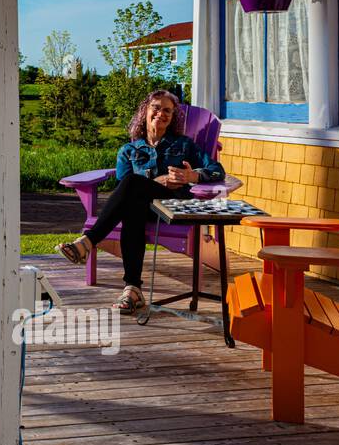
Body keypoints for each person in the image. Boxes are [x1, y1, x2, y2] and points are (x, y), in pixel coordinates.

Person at [55, 90, 224, 314]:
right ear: (145, 111)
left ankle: (88, 242)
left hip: (174, 207)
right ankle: (132, 290)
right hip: (144, 208)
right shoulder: (128, 151)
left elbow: (216, 170)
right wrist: (157, 181)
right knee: (131, 207)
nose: (161, 113)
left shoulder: (184, 145)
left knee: (133, 187)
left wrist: (192, 176)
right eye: (156, 107)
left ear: (173, 117)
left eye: (167, 110)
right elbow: (123, 190)